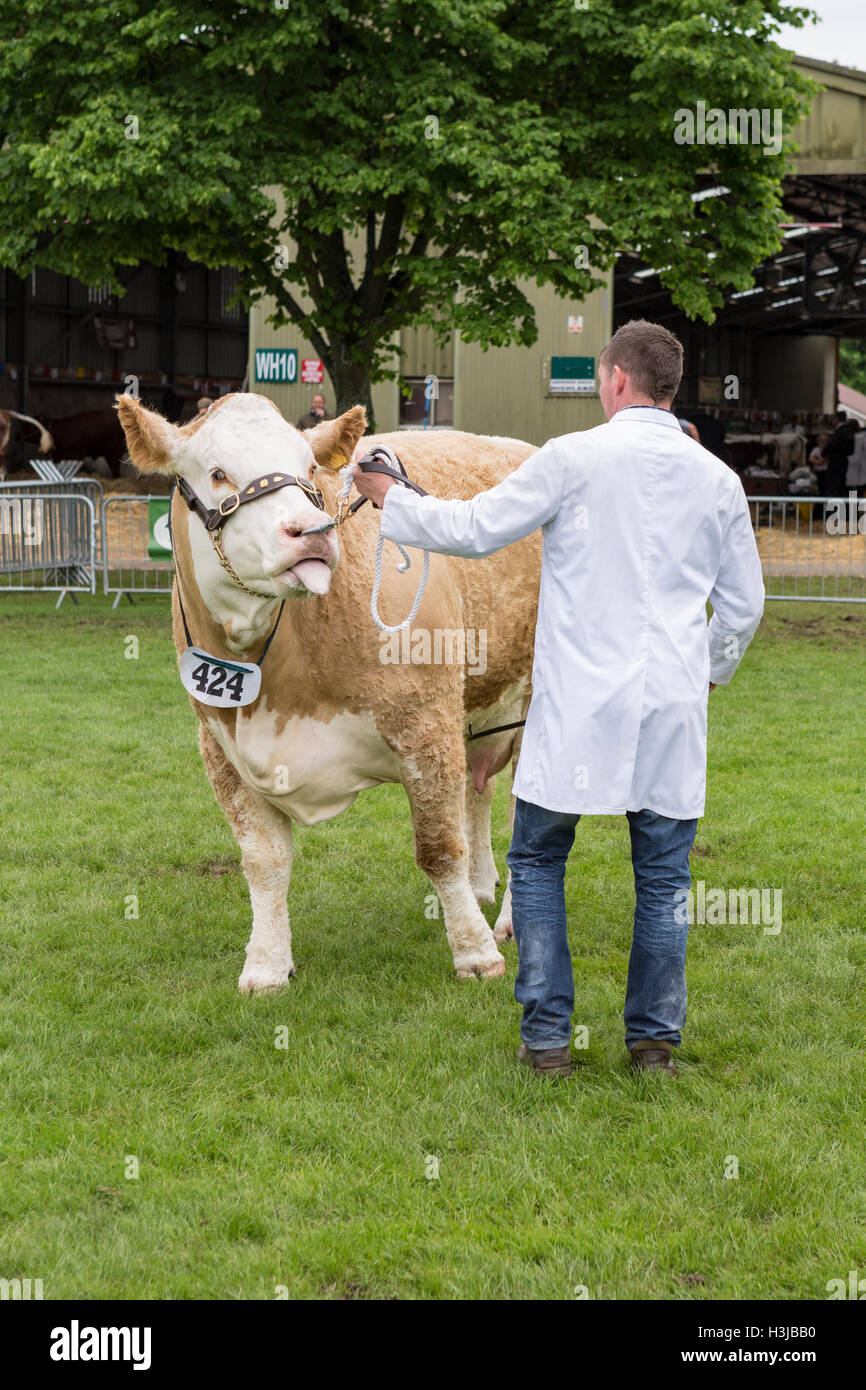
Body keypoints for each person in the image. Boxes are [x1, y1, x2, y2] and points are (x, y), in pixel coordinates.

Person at [352, 319, 765, 1080]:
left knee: (539, 859)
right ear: (667, 387)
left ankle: (547, 1041)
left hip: (579, 704)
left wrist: (393, 499)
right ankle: (653, 1046)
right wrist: (707, 671)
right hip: (671, 707)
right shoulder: (717, 479)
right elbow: (744, 606)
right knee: (665, 878)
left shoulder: (571, 459)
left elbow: (477, 530)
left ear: (615, 380)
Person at [824, 412, 855, 496]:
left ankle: (834, 506)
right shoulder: (849, 431)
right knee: (842, 484)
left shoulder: (840, 431)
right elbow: (851, 450)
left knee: (834, 485)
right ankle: (841, 506)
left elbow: (831, 445)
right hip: (844, 460)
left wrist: (824, 453)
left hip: (836, 461)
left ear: (837, 419)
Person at [846, 421, 866, 498]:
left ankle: (852, 509)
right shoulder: (863, 437)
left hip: (849, 470)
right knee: (859, 493)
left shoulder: (847, 437)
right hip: (860, 470)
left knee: (851, 494)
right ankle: (856, 509)